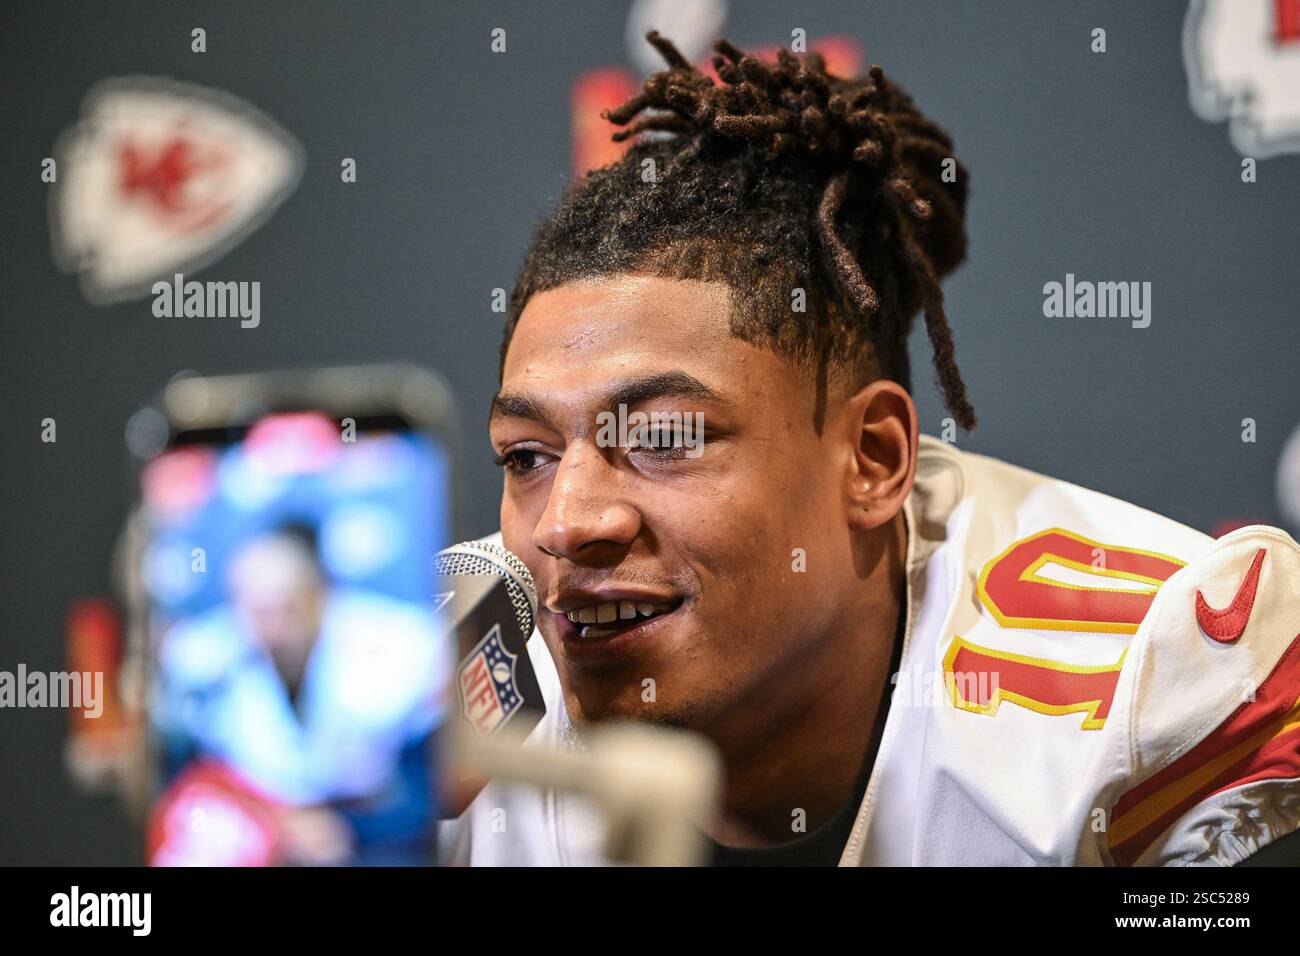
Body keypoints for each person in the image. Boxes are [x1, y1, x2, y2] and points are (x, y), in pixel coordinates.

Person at [441, 34, 1300, 866]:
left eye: (663, 438)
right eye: (526, 456)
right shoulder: (431, 680)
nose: (566, 524)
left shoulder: (1151, 687)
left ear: (874, 459)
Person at [154, 525, 447, 865]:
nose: (276, 630)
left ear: (318, 596)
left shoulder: (403, 643)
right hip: (260, 822)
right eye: (260, 613)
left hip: (380, 823)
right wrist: (282, 821)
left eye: (288, 609)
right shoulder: (198, 660)